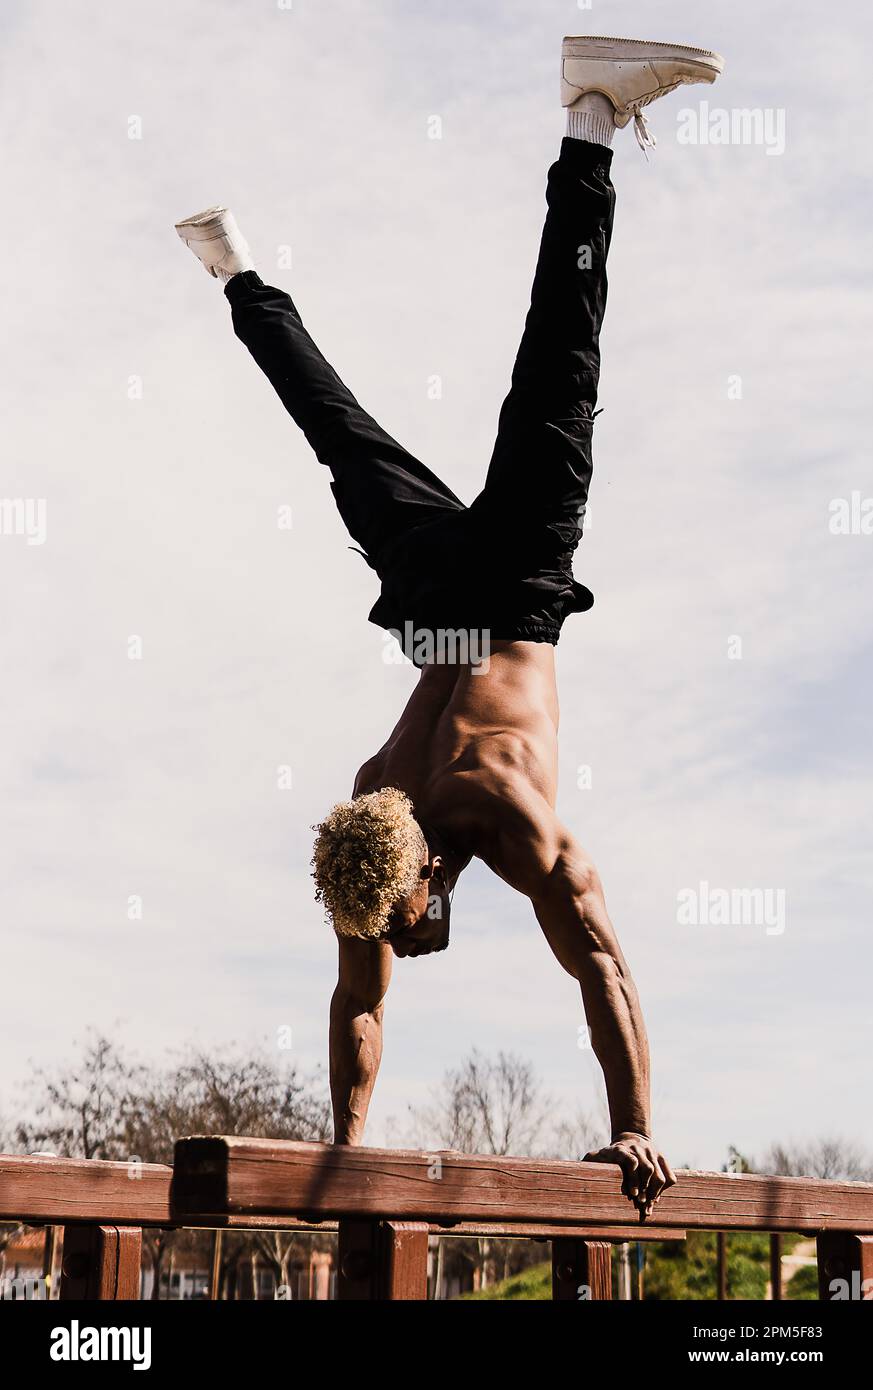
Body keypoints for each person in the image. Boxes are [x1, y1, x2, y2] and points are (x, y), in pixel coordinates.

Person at [176, 35, 724, 1219]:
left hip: (511, 592)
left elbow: (603, 962)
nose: (414, 945)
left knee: (559, 372)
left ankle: (587, 114)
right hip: (436, 609)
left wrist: (634, 1128)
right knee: (341, 436)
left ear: (420, 877)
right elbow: (357, 1002)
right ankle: (230, 271)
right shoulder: (371, 818)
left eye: (407, 927)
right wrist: (344, 1149)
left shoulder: (488, 805)